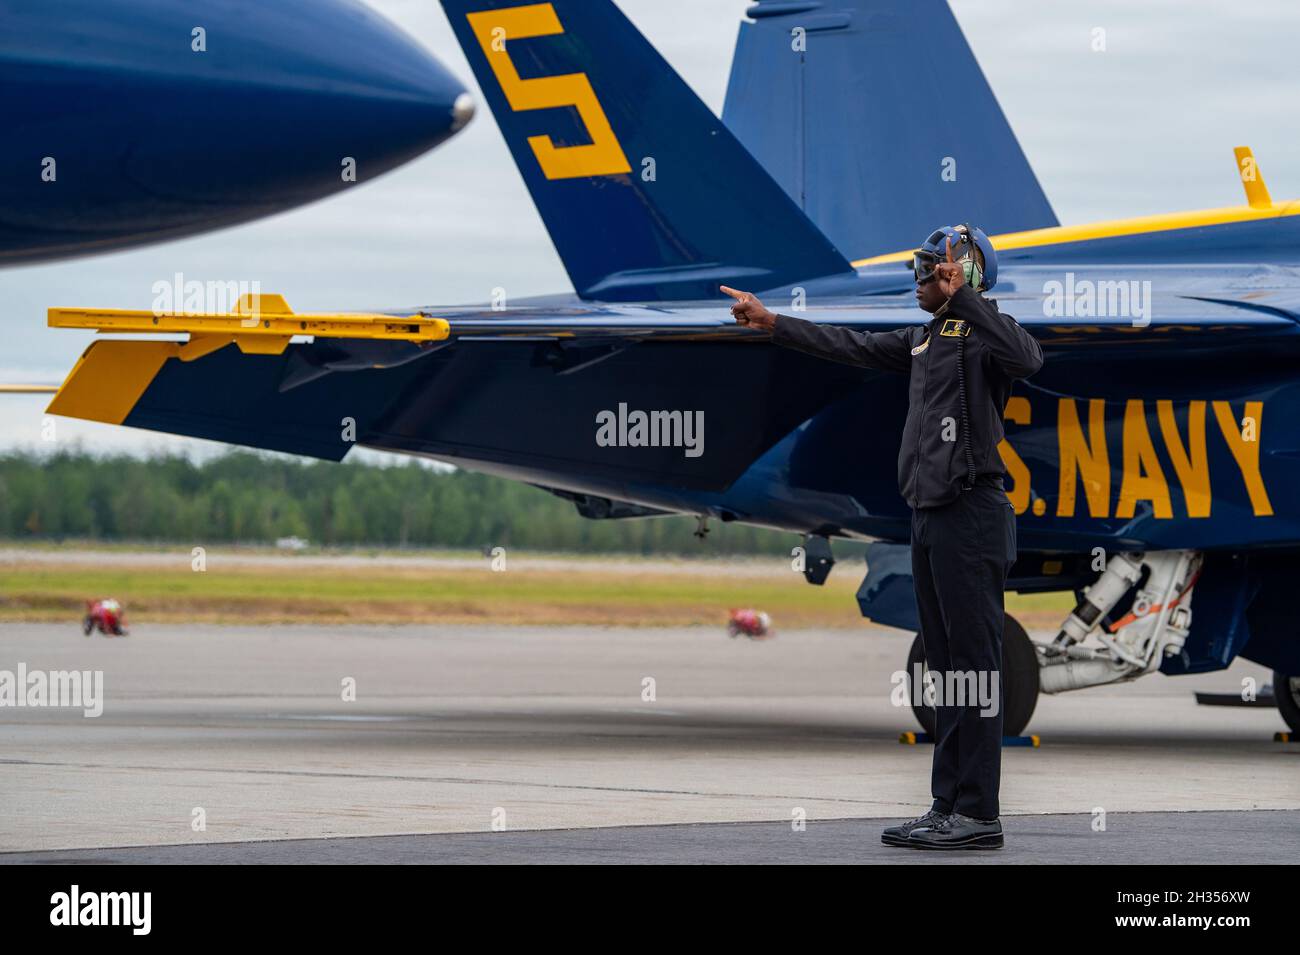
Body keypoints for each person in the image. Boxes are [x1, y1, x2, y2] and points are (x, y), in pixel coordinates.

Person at [722, 224, 1043, 849]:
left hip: (972, 515)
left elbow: (1029, 358)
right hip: (929, 518)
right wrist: (773, 323)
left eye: (930, 268)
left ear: (965, 273)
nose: (918, 279)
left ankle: (980, 815)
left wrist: (967, 299)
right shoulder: (926, 341)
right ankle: (946, 806)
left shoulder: (983, 334)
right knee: (949, 672)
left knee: (975, 670)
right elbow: (850, 345)